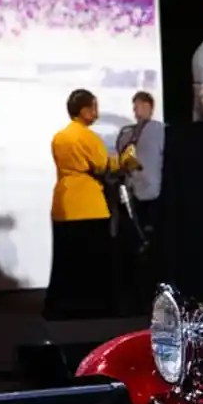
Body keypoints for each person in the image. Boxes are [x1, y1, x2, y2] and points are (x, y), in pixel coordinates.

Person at [46, 88, 140, 320]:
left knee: (66, 261)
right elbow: (102, 166)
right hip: (88, 204)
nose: (96, 112)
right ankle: (92, 308)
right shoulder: (87, 137)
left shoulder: (60, 136)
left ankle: (61, 307)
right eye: (94, 107)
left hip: (63, 201)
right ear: (85, 110)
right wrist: (127, 159)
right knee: (92, 261)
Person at [115, 91, 164, 308]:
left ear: (149, 107)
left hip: (153, 193)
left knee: (151, 242)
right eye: (134, 106)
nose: (136, 110)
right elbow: (121, 157)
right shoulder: (127, 134)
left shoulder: (159, 131)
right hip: (131, 195)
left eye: (139, 106)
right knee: (131, 243)